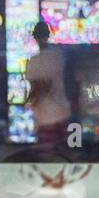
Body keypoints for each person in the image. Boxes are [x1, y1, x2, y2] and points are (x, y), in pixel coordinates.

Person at [24, 19, 70, 148]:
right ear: (48, 35)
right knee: (64, 154)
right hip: (64, 112)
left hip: (45, 116)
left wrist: (28, 102)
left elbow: (40, 87)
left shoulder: (34, 61)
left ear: (34, 37)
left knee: (47, 157)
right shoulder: (59, 56)